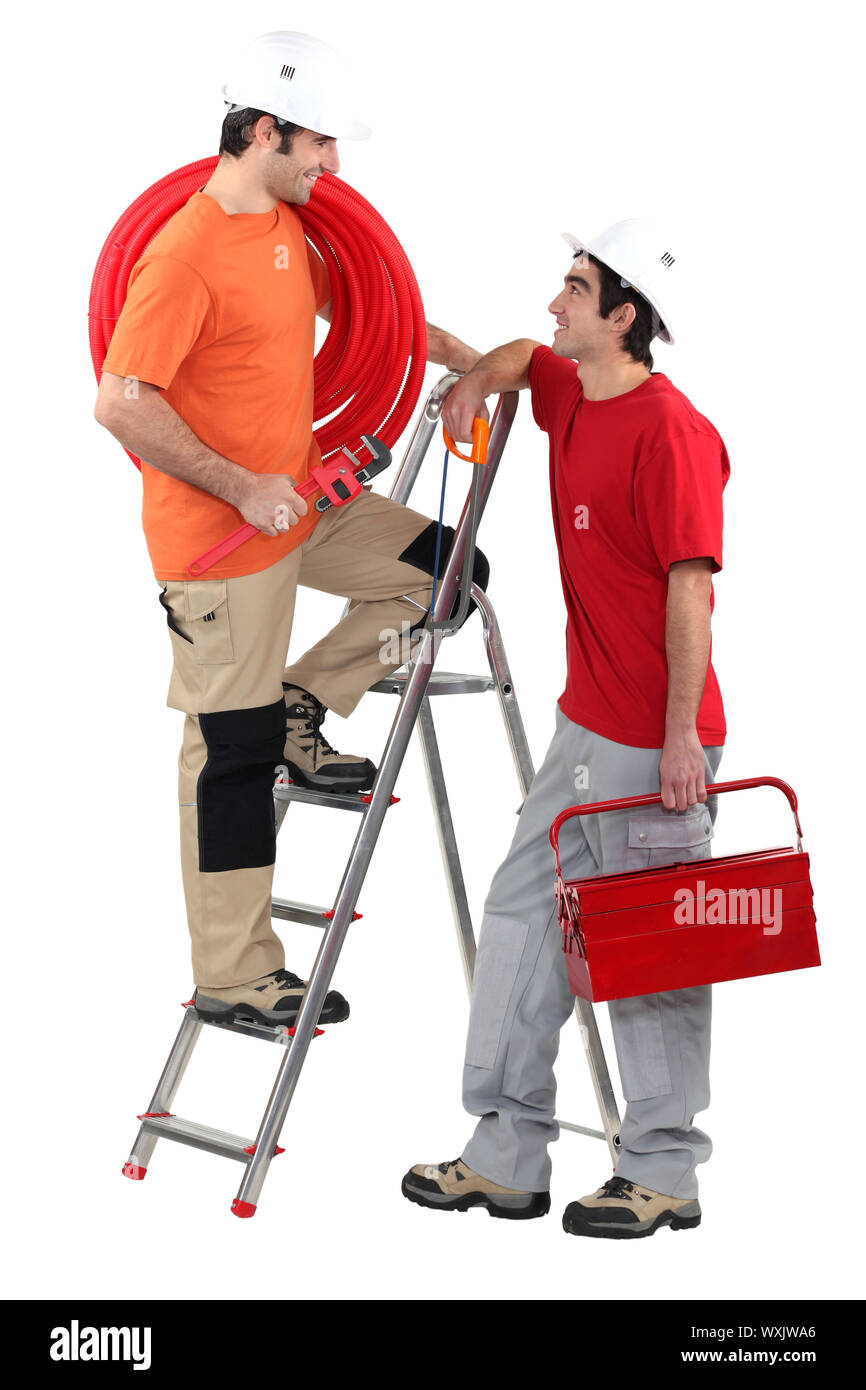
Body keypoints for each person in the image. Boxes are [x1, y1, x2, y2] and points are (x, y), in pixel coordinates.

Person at [93, 31, 483, 1031]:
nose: (333, 164)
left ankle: (306, 706)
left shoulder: (279, 229)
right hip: (219, 546)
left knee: (446, 573)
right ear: (263, 129)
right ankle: (235, 972)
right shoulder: (183, 255)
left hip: (300, 508)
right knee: (228, 753)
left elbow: (368, 310)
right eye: (318, 142)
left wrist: (463, 361)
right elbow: (121, 400)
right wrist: (238, 482)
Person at [402, 219, 731, 1239]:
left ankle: (662, 1170)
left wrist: (680, 739)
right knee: (518, 917)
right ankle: (505, 1153)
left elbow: (689, 593)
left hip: (651, 737)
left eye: (575, 289)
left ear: (622, 316)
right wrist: (415, 345)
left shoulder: (671, 433)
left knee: (647, 955)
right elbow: (507, 357)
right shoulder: (570, 392)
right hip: (582, 727)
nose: (555, 301)